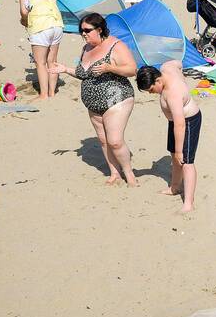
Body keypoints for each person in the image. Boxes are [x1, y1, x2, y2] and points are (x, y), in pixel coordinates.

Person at [50, 13, 138, 187]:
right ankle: (114, 173)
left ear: (99, 29)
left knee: (115, 141)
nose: (83, 34)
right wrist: (66, 69)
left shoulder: (115, 45)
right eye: (81, 31)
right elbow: (84, 74)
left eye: (87, 31)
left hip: (116, 98)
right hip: (93, 104)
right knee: (104, 141)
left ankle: (130, 175)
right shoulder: (86, 48)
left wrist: (109, 68)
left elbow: (132, 69)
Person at [136, 61, 201, 213]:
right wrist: (182, 77)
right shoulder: (166, 68)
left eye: (151, 90)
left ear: (158, 80)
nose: (151, 93)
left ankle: (189, 203)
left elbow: (180, 124)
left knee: (185, 161)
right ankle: (174, 188)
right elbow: (178, 63)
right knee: (174, 157)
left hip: (188, 121)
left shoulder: (173, 93)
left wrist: (180, 151)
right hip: (176, 122)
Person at [14, 0, 63, 100]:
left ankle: (44, 94)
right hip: (57, 23)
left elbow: (24, 11)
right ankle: (52, 92)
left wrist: (24, 20)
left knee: (40, 62)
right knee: (52, 60)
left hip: (41, 25)